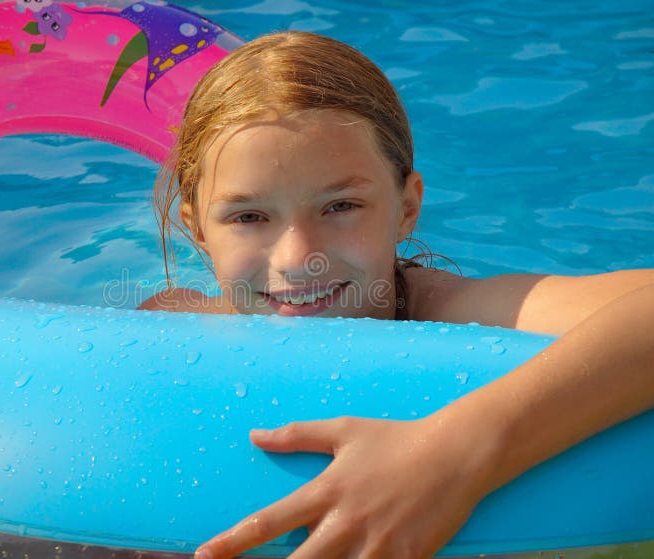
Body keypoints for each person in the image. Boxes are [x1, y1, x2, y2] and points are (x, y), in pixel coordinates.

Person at [138, 31, 654, 559]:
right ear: (197, 227)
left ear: (407, 207)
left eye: (340, 206)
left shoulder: (451, 314)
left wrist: (450, 456)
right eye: (249, 217)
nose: (297, 258)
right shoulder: (169, 329)